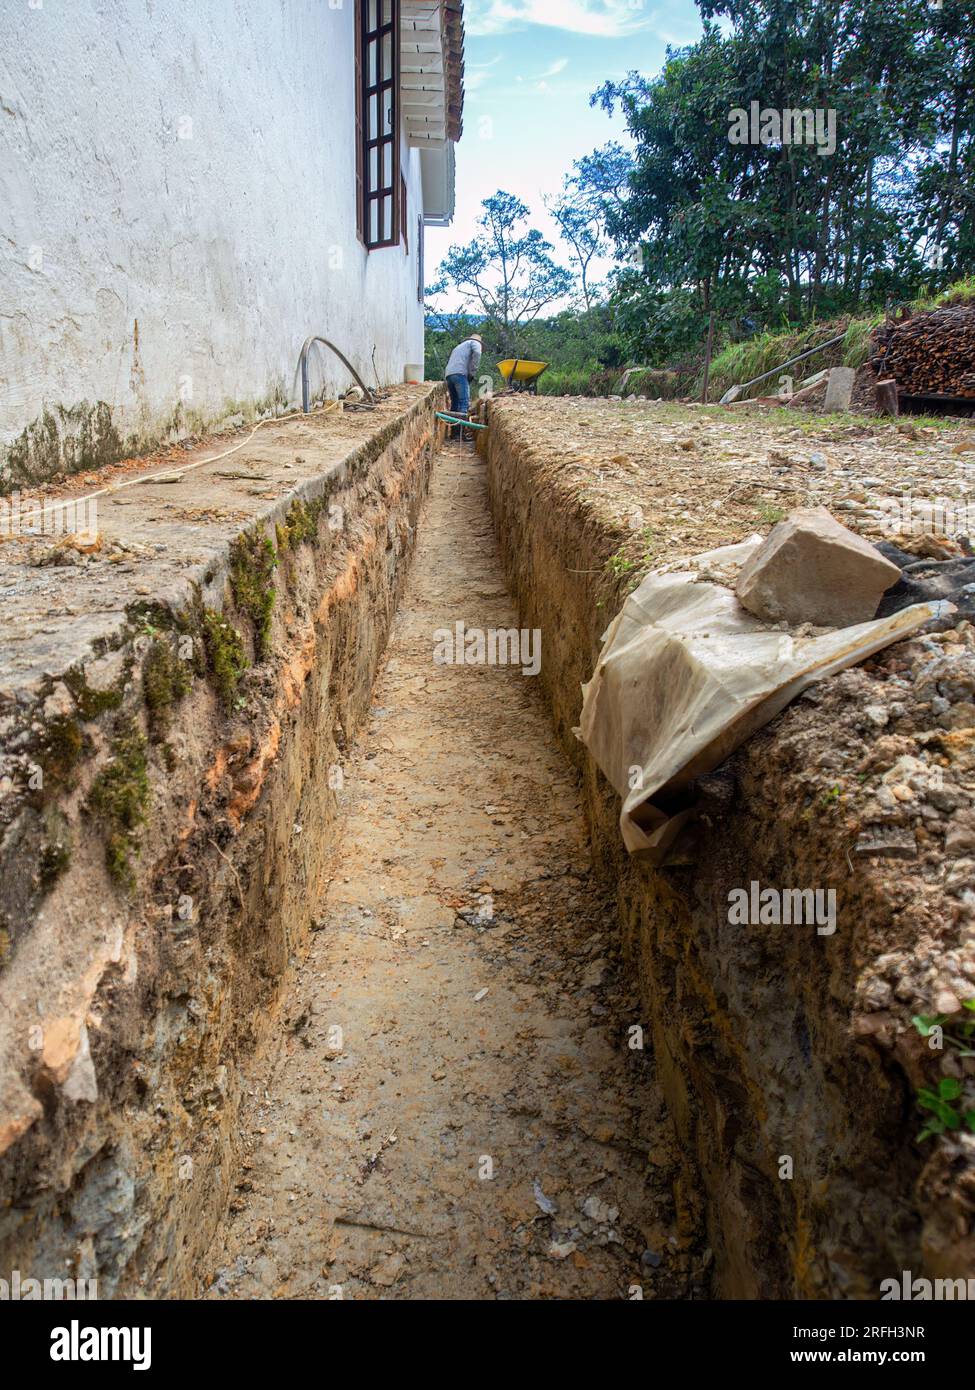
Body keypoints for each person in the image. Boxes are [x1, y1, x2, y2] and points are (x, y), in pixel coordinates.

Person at [444, 332, 482, 435]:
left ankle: (453, 433)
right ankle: (460, 434)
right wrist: (472, 373)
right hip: (460, 374)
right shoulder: (475, 343)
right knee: (464, 402)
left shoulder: (459, 347)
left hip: (449, 374)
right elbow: (477, 354)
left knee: (455, 403)